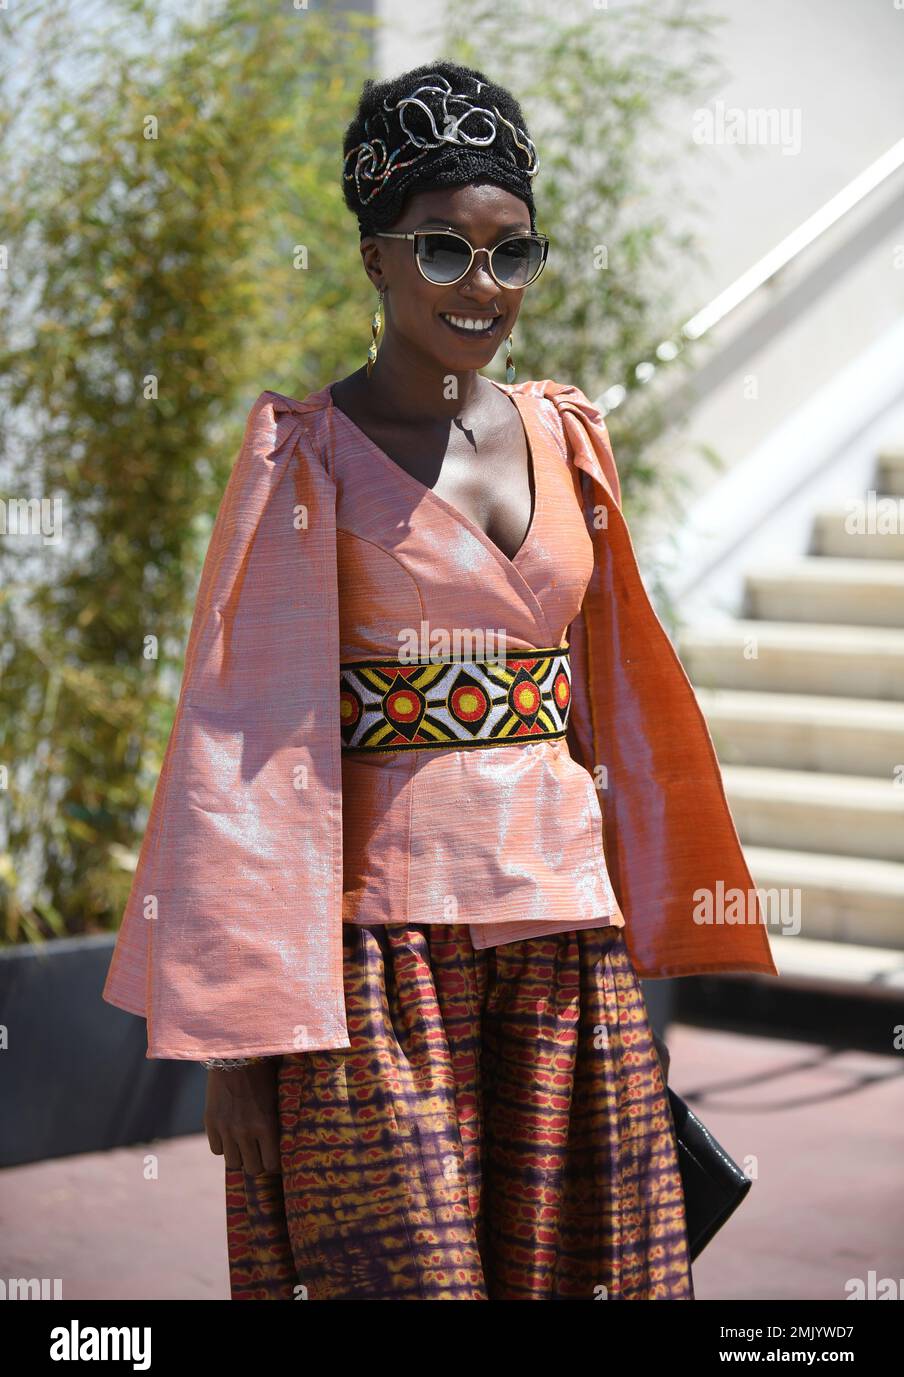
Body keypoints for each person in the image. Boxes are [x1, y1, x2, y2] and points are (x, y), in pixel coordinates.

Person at [103, 59, 777, 1300]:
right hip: (377, 960)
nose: (481, 286)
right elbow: (238, 745)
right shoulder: (301, 456)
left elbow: (608, 701)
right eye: (442, 249)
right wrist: (240, 1048)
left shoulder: (568, 433)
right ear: (373, 257)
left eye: (510, 253)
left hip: (566, 942)